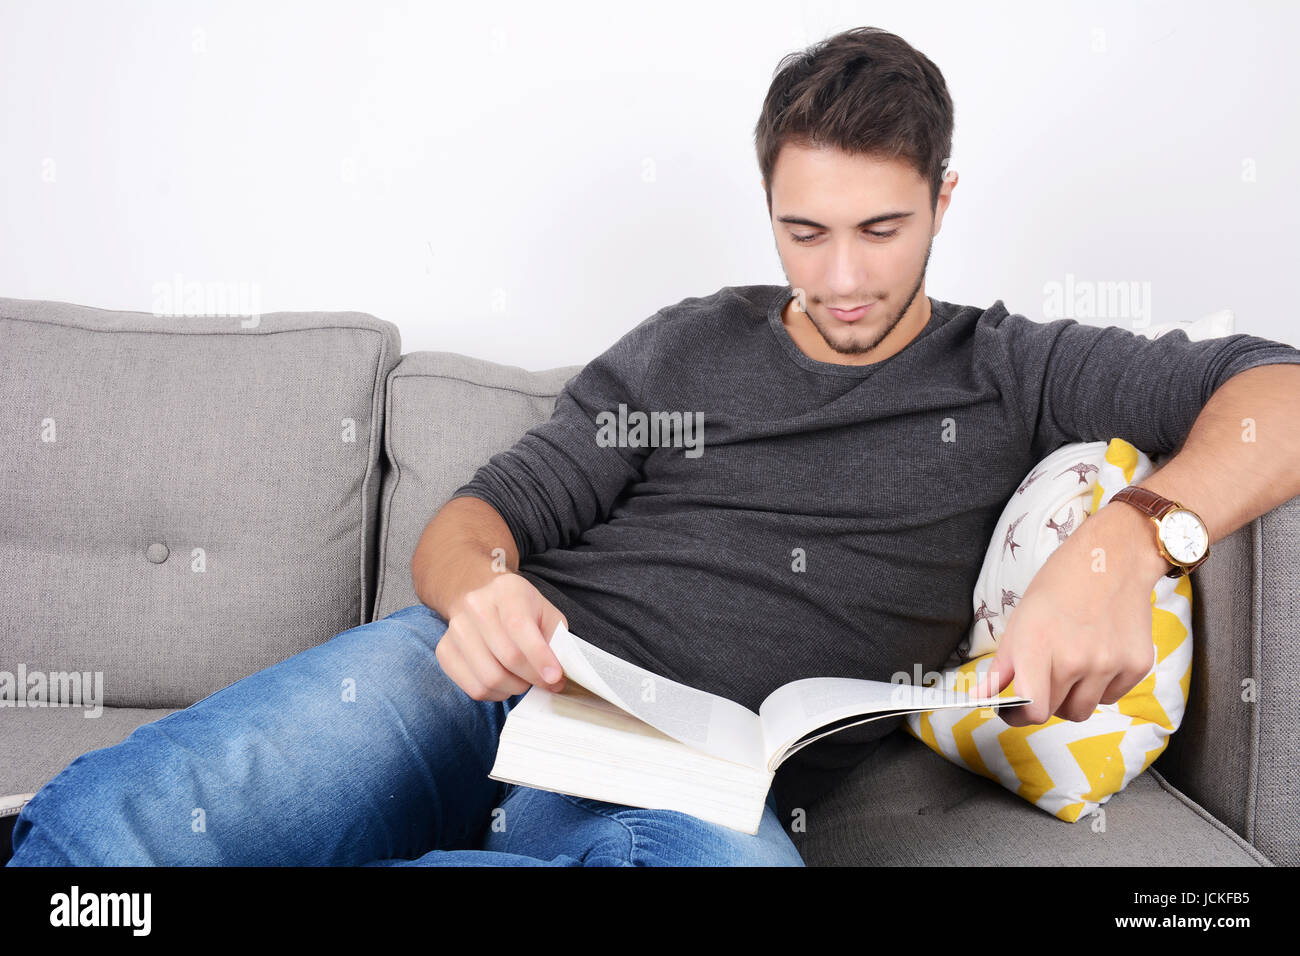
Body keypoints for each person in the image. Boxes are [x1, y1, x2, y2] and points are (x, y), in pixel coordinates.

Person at [10, 26, 1300, 867]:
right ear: (767, 208)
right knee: (102, 844)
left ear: (945, 199)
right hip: (504, 682)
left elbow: (1279, 391)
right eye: (804, 233)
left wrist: (1139, 533)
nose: (843, 279)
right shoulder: (691, 343)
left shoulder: (1017, 366)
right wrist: (482, 590)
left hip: (705, 774)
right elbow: (474, 520)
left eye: (882, 229)